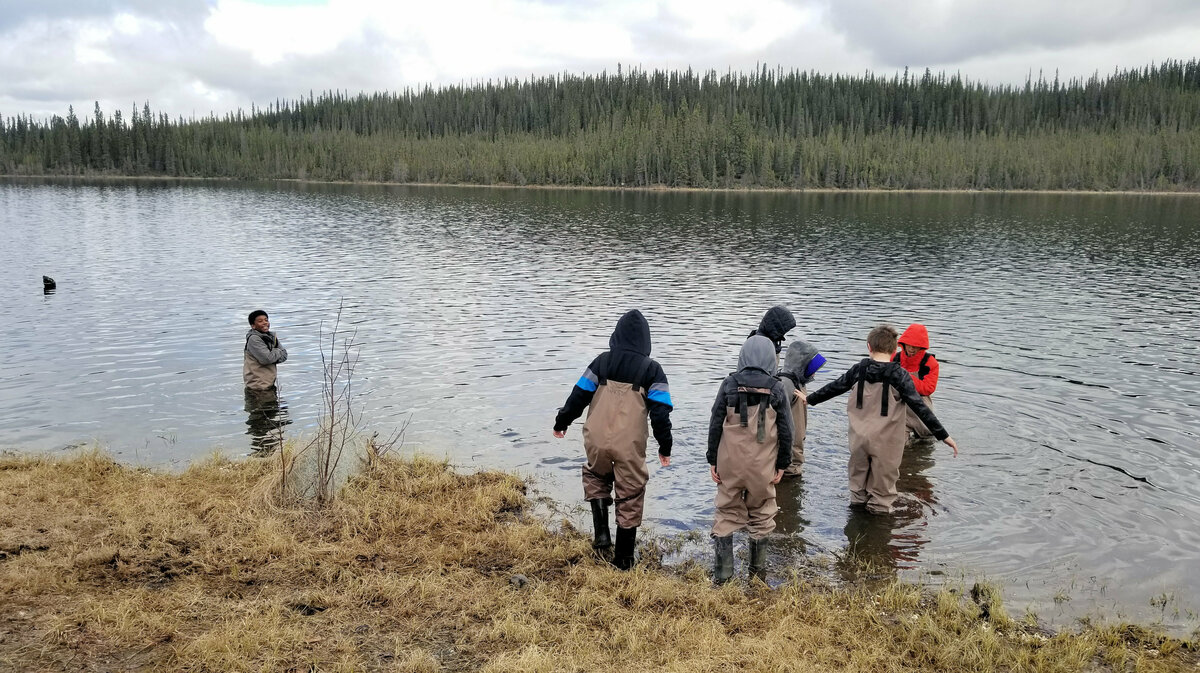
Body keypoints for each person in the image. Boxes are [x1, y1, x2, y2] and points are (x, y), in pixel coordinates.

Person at [553, 309, 673, 570]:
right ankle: (624, 559)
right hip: (629, 443)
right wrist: (665, 447)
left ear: (616, 335)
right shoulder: (652, 370)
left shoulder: (601, 362)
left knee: (596, 476)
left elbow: (578, 396)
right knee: (630, 492)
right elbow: (660, 415)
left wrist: (561, 422)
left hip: (595, 436)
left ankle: (602, 536)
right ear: (646, 340)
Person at [804, 324, 958, 516]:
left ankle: (856, 519)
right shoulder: (899, 374)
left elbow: (836, 386)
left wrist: (809, 399)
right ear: (895, 350)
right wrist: (944, 436)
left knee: (858, 485)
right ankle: (878, 524)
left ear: (869, 346)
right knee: (883, 489)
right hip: (886, 442)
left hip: (859, 439)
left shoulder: (858, 369)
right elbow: (920, 407)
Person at [708, 335, 793, 583]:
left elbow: (715, 423)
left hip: (730, 463)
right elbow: (787, 430)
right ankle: (757, 576)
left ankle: (723, 576)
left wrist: (712, 459)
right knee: (762, 512)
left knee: (726, 511)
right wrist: (782, 464)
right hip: (762, 465)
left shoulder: (729, 384)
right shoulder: (777, 388)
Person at [777, 340, 826, 477]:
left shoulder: (798, 382)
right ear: (801, 365)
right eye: (811, 369)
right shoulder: (786, 384)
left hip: (793, 459)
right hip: (787, 464)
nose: (814, 374)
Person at [893, 323, 939, 438]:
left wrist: (905, 377)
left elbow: (928, 388)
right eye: (909, 344)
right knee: (899, 442)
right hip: (899, 406)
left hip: (921, 407)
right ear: (904, 343)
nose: (912, 348)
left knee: (927, 440)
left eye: (916, 346)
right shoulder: (894, 358)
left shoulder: (930, 362)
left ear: (922, 346)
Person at [243, 310, 288, 391]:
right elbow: (266, 359)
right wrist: (277, 351)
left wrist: (273, 355)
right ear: (253, 326)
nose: (264, 323)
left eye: (266, 320)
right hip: (257, 387)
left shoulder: (271, 336)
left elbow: (284, 355)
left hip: (269, 384)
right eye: (260, 321)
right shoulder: (254, 339)